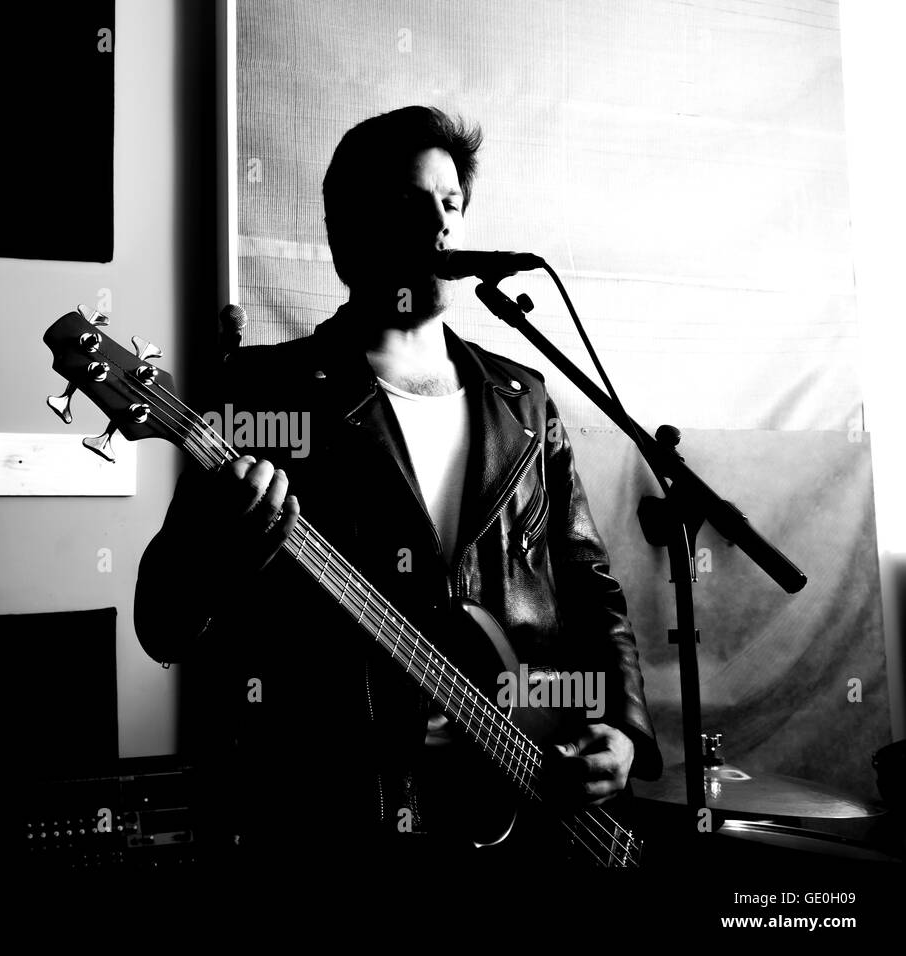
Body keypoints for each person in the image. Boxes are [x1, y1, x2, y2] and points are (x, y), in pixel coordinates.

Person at [134, 105, 661, 875]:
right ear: (347, 230)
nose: (442, 226)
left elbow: (588, 582)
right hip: (343, 825)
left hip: (529, 803)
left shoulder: (523, 399)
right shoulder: (266, 394)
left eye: (452, 204)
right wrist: (219, 549)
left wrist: (621, 726)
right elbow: (163, 624)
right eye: (413, 204)